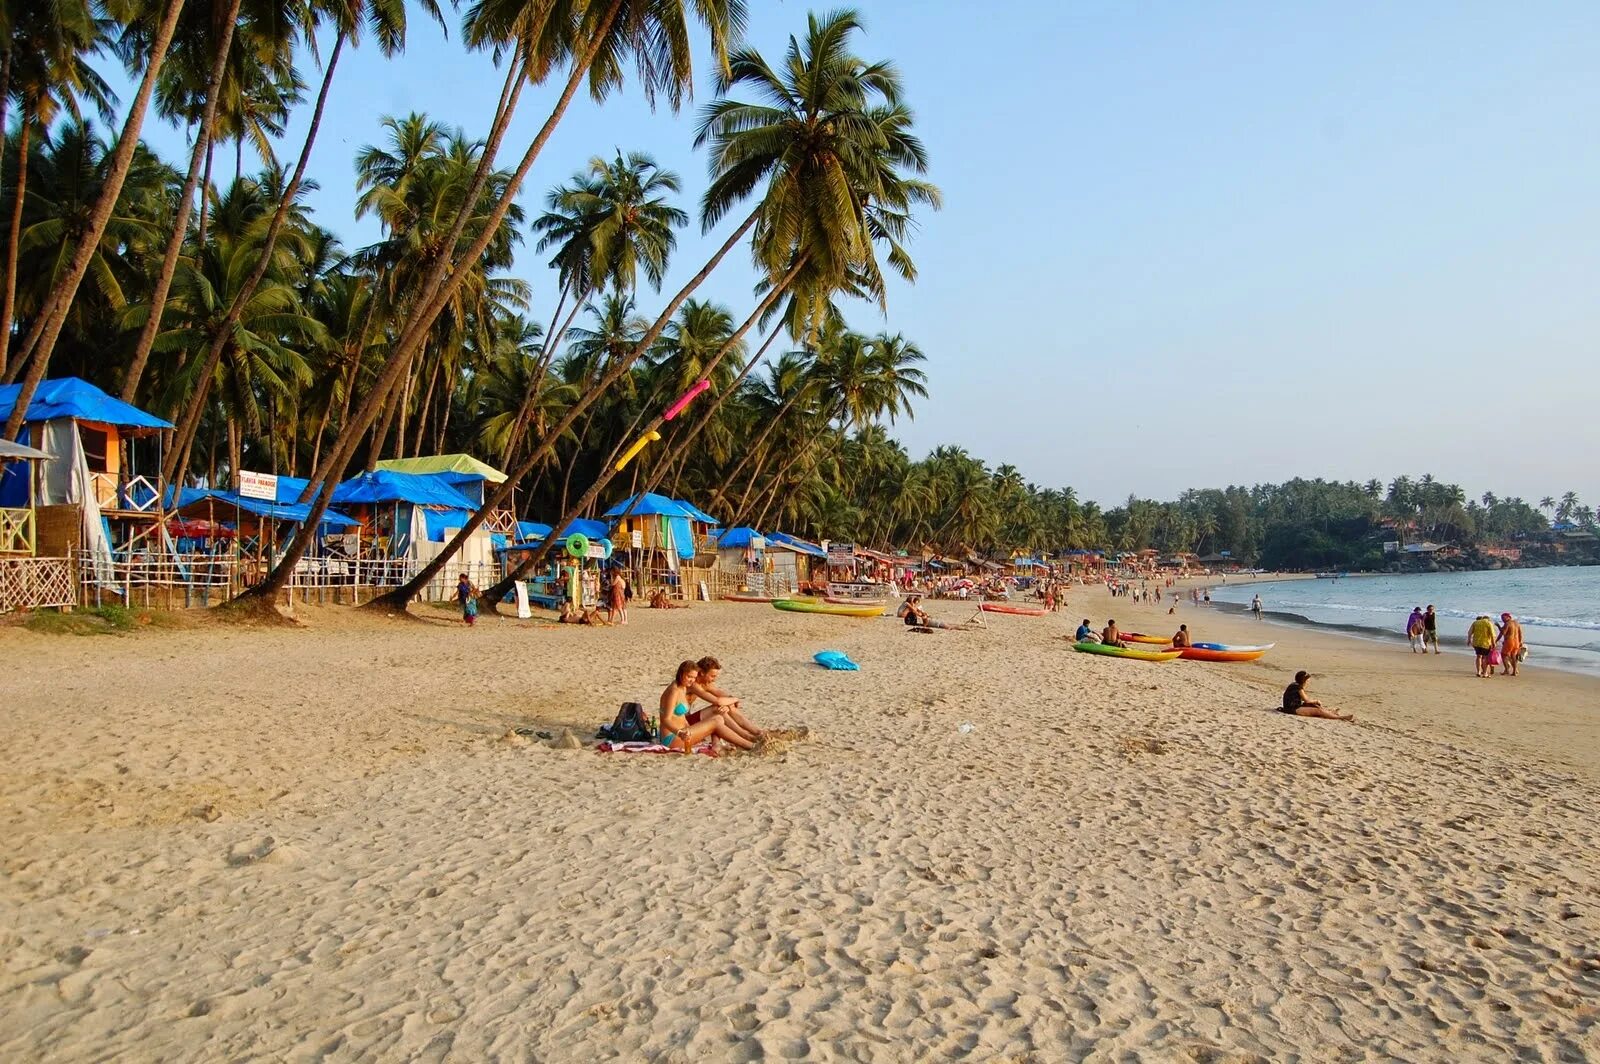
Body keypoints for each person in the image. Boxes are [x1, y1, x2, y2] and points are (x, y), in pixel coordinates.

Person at [658, 661, 754, 752]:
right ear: (681, 673)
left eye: (694, 678)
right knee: (716, 721)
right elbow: (666, 720)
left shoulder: (682, 687)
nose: (692, 680)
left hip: (684, 732)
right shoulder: (673, 691)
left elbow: (681, 717)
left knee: (719, 717)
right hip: (672, 738)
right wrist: (680, 733)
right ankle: (749, 745)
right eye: (689, 677)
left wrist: (692, 729)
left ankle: (747, 741)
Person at [688, 656, 763, 739]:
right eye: (712, 676)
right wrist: (735, 699)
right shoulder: (693, 684)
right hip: (683, 724)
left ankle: (757, 732)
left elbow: (723, 695)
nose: (714, 679)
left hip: (690, 720)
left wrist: (729, 703)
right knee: (717, 709)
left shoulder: (704, 683)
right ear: (702, 673)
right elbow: (718, 701)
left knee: (726, 706)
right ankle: (745, 735)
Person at [1280, 670, 1353, 720]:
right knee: (1318, 711)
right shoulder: (1297, 686)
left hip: (1293, 706)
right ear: (1303, 680)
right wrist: (1316, 700)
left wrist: (1314, 703)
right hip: (1291, 709)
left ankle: (1330, 712)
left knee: (1315, 706)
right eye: (1307, 680)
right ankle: (1340, 718)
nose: (1308, 681)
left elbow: (1304, 700)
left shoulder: (1295, 685)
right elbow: (1306, 700)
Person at [1498, 612, 1523, 676]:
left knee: (1503, 655)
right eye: (1502, 618)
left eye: (1503, 618)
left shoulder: (1507, 624)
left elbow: (1503, 633)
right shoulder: (1516, 623)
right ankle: (1515, 671)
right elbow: (1520, 633)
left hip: (1509, 641)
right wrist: (1521, 642)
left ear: (1508, 617)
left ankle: (1507, 669)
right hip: (1516, 641)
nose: (1502, 620)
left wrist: (1498, 626)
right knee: (1513, 656)